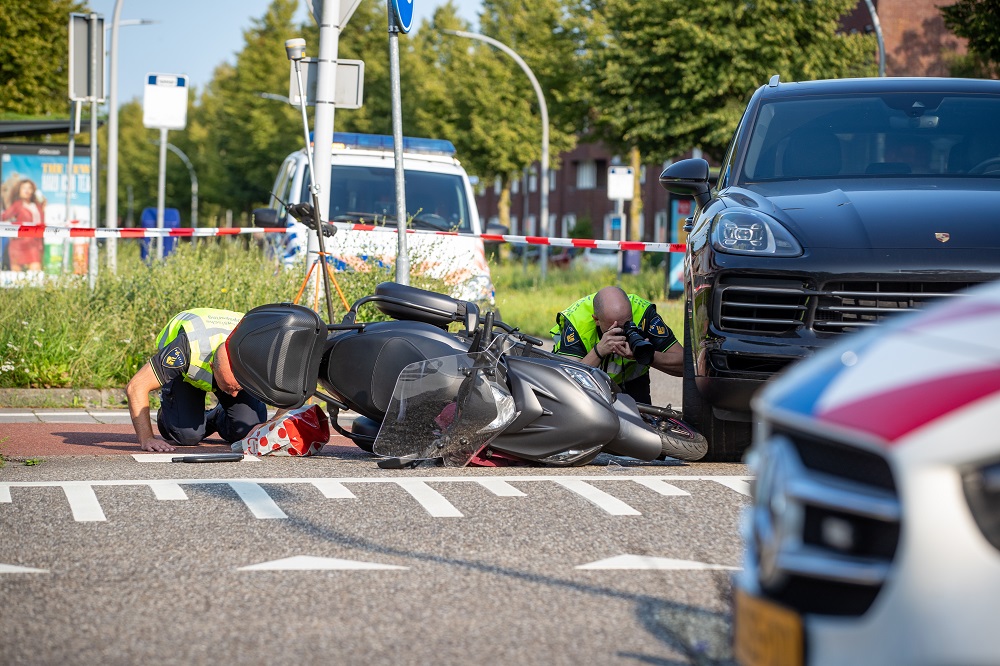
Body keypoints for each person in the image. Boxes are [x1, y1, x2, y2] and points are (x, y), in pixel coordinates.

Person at [126, 308, 268, 452]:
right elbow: (135, 387)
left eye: (238, 387)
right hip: (184, 373)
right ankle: (168, 414)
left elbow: (284, 388)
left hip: (228, 366)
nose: (234, 394)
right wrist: (146, 438)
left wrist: (275, 421)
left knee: (248, 430)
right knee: (186, 436)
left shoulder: (260, 350)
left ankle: (216, 416)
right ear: (212, 367)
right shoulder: (185, 349)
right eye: (229, 387)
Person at [550, 286, 683, 404]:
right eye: (615, 328)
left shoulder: (643, 313)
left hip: (633, 383)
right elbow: (568, 385)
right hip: (590, 387)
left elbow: (684, 365)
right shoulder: (577, 322)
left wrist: (646, 355)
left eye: (627, 324)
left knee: (642, 423)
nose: (622, 332)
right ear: (596, 320)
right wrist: (598, 351)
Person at [1, 178, 45, 272]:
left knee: (36, 273)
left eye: (29, 188)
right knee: (17, 277)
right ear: (19, 190)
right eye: (24, 188)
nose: (27, 191)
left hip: (34, 244)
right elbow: (3, 217)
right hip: (19, 245)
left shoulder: (37, 206)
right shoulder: (17, 205)